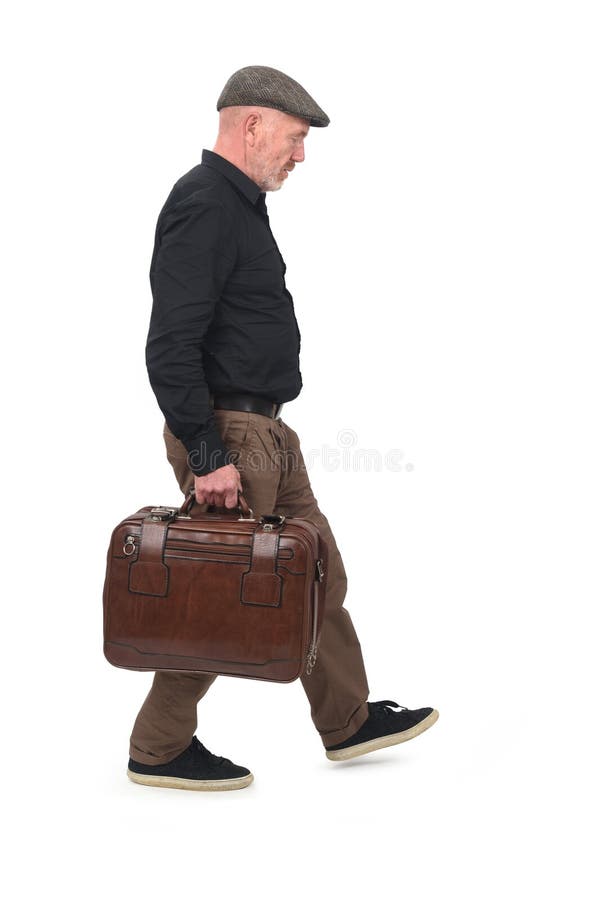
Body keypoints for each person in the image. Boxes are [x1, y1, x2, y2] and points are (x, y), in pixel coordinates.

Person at [126, 66, 439, 791]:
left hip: (266, 434)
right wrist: (208, 455)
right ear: (253, 126)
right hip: (229, 437)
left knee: (317, 571)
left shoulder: (237, 205)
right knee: (221, 595)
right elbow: (169, 344)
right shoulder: (204, 202)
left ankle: (348, 719)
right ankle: (160, 746)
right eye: (294, 139)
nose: (300, 156)